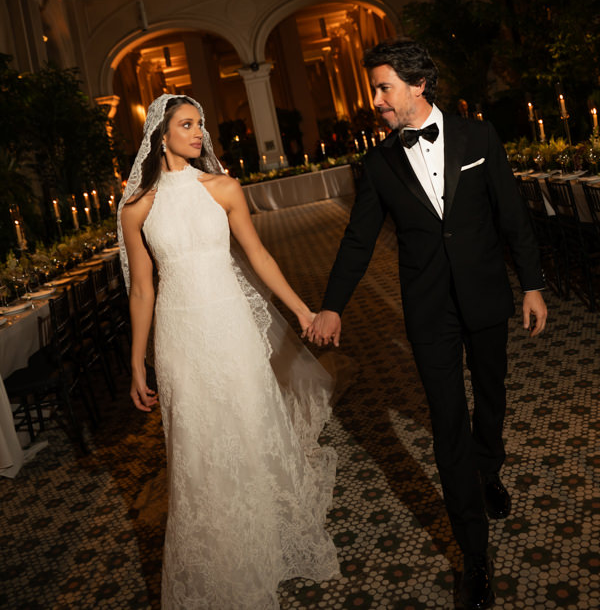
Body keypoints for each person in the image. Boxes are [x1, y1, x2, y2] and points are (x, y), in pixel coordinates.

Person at [306, 39, 547, 610]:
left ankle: (490, 467)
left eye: (383, 87)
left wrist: (532, 284)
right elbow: (359, 239)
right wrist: (333, 304)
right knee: (447, 423)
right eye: (376, 90)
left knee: (492, 395)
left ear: (417, 85)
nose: (377, 101)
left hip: (486, 294)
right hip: (427, 308)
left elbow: (511, 215)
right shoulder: (379, 162)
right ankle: (475, 556)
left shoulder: (477, 137)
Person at [118, 93, 339, 609]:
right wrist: (136, 359)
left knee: (247, 421)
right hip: (178, 335)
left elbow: (258, 255)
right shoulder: (137, 208)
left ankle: (268, 534)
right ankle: (219, 552)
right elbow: (142, 289)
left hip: (230, 323)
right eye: (187, 125)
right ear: (161, 135)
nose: (200, 133)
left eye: (201, 124)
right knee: (196, 440)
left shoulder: (223, 188)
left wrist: (302, 311)